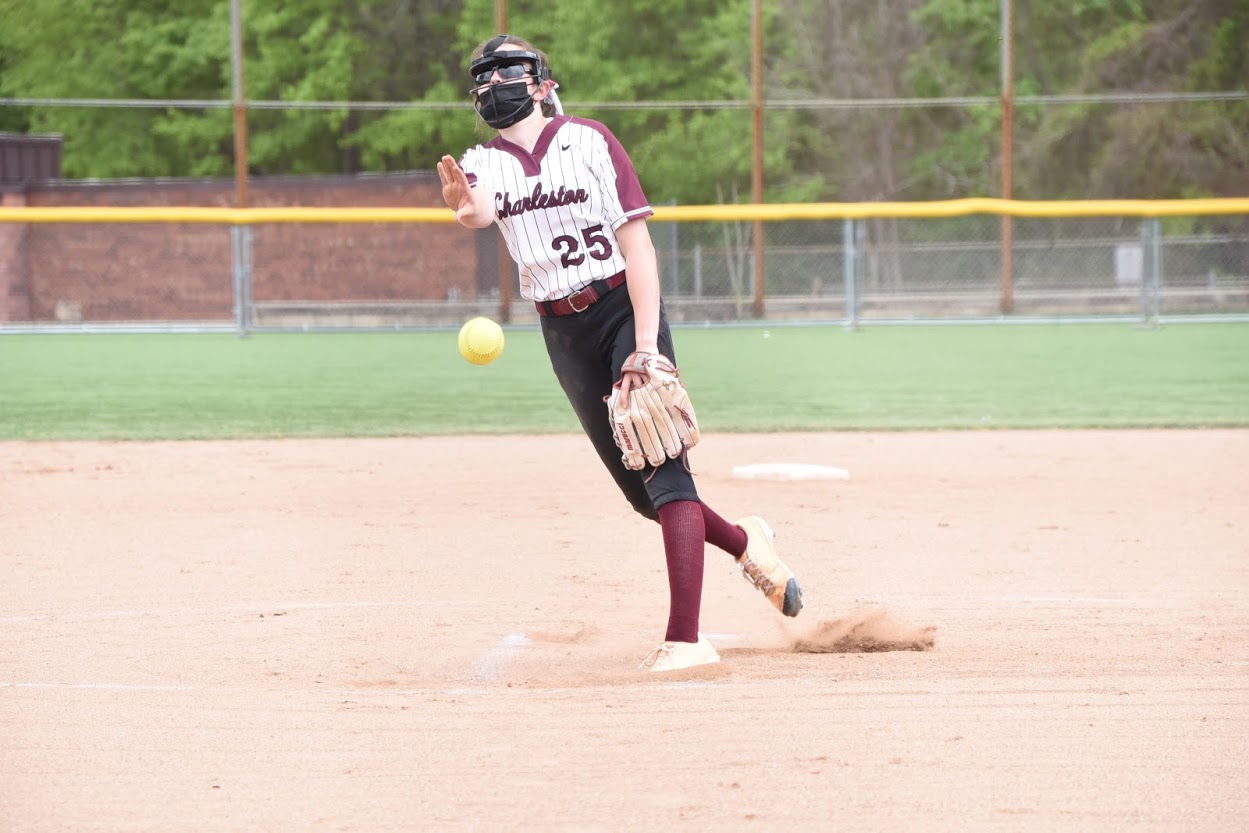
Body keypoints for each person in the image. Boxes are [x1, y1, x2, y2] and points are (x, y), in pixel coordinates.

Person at [437, 34, 803, 672]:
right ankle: (747, 544)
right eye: (484, 76)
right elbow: (481, 209)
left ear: (543, 84)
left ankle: (685, 641)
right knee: (643, 495)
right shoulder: (483, 162)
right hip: (563, 332)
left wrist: (645, 347)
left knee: (666, 471)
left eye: (509, 70)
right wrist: (466, 210)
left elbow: (638, 248)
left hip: (622, 309)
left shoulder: (590, 141)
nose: (495, 83)